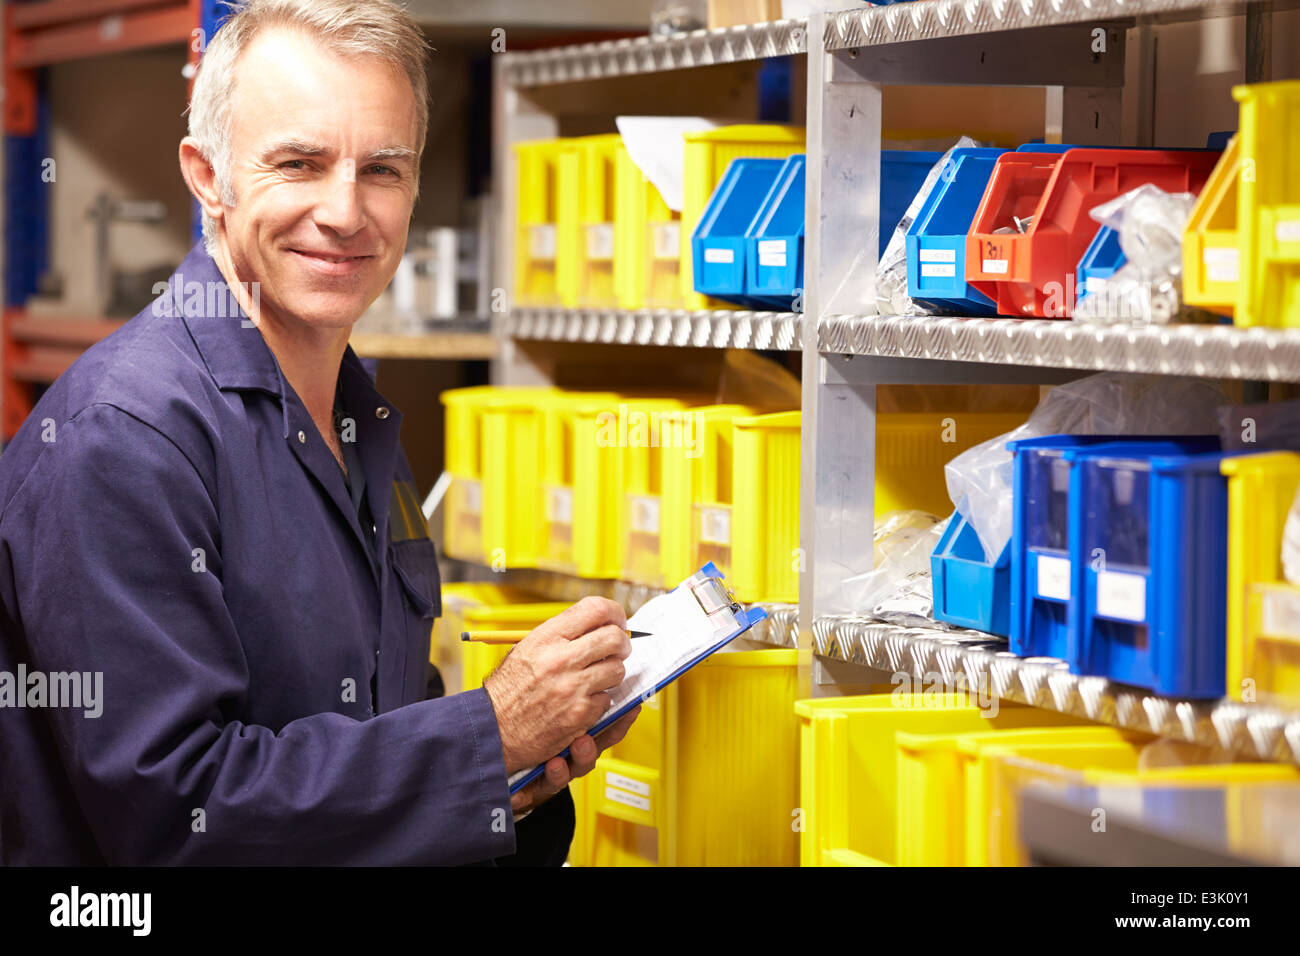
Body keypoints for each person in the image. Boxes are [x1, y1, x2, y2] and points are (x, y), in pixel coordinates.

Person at [0, 0, 637, 866]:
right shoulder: (125, 439)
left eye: (382, 169)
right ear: (206, 176)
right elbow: (175, 821)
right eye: (299, 163)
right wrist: (487, 738)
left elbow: (377, 731)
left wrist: (519, 776)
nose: (345, 212)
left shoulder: (355, 417)